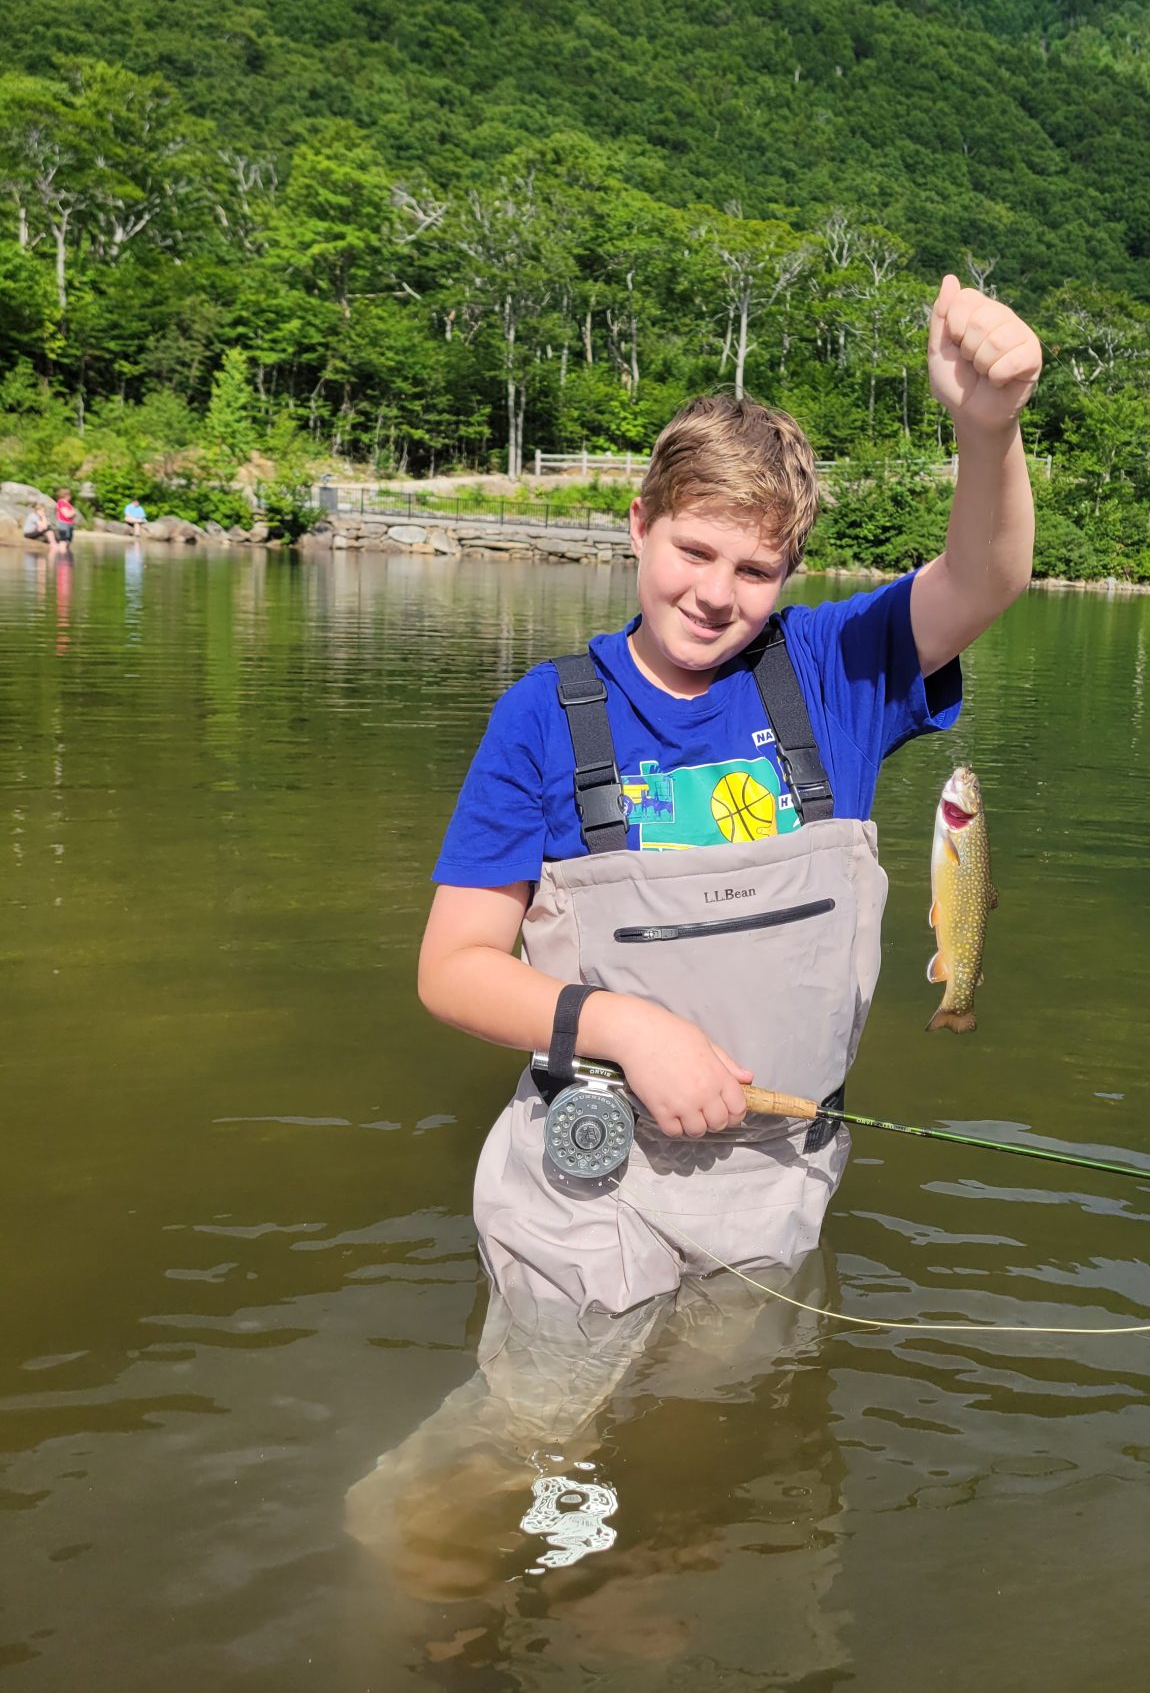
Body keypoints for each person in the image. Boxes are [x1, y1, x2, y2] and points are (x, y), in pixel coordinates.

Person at [350, 277, 1039, 1590]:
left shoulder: (834, 673)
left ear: (790, 576)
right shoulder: (544, 716)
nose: (718, 594)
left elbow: (987, 574)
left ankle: (609, 1596)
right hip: (591, 1180)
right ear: (639, 525)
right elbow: (451, 970)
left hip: (774, 1187)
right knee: (529, 1440)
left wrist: (988, 426)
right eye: (695, 550)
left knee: (694, 1435)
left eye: (756, 569)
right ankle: (430, 1609)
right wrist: (625, 1027)